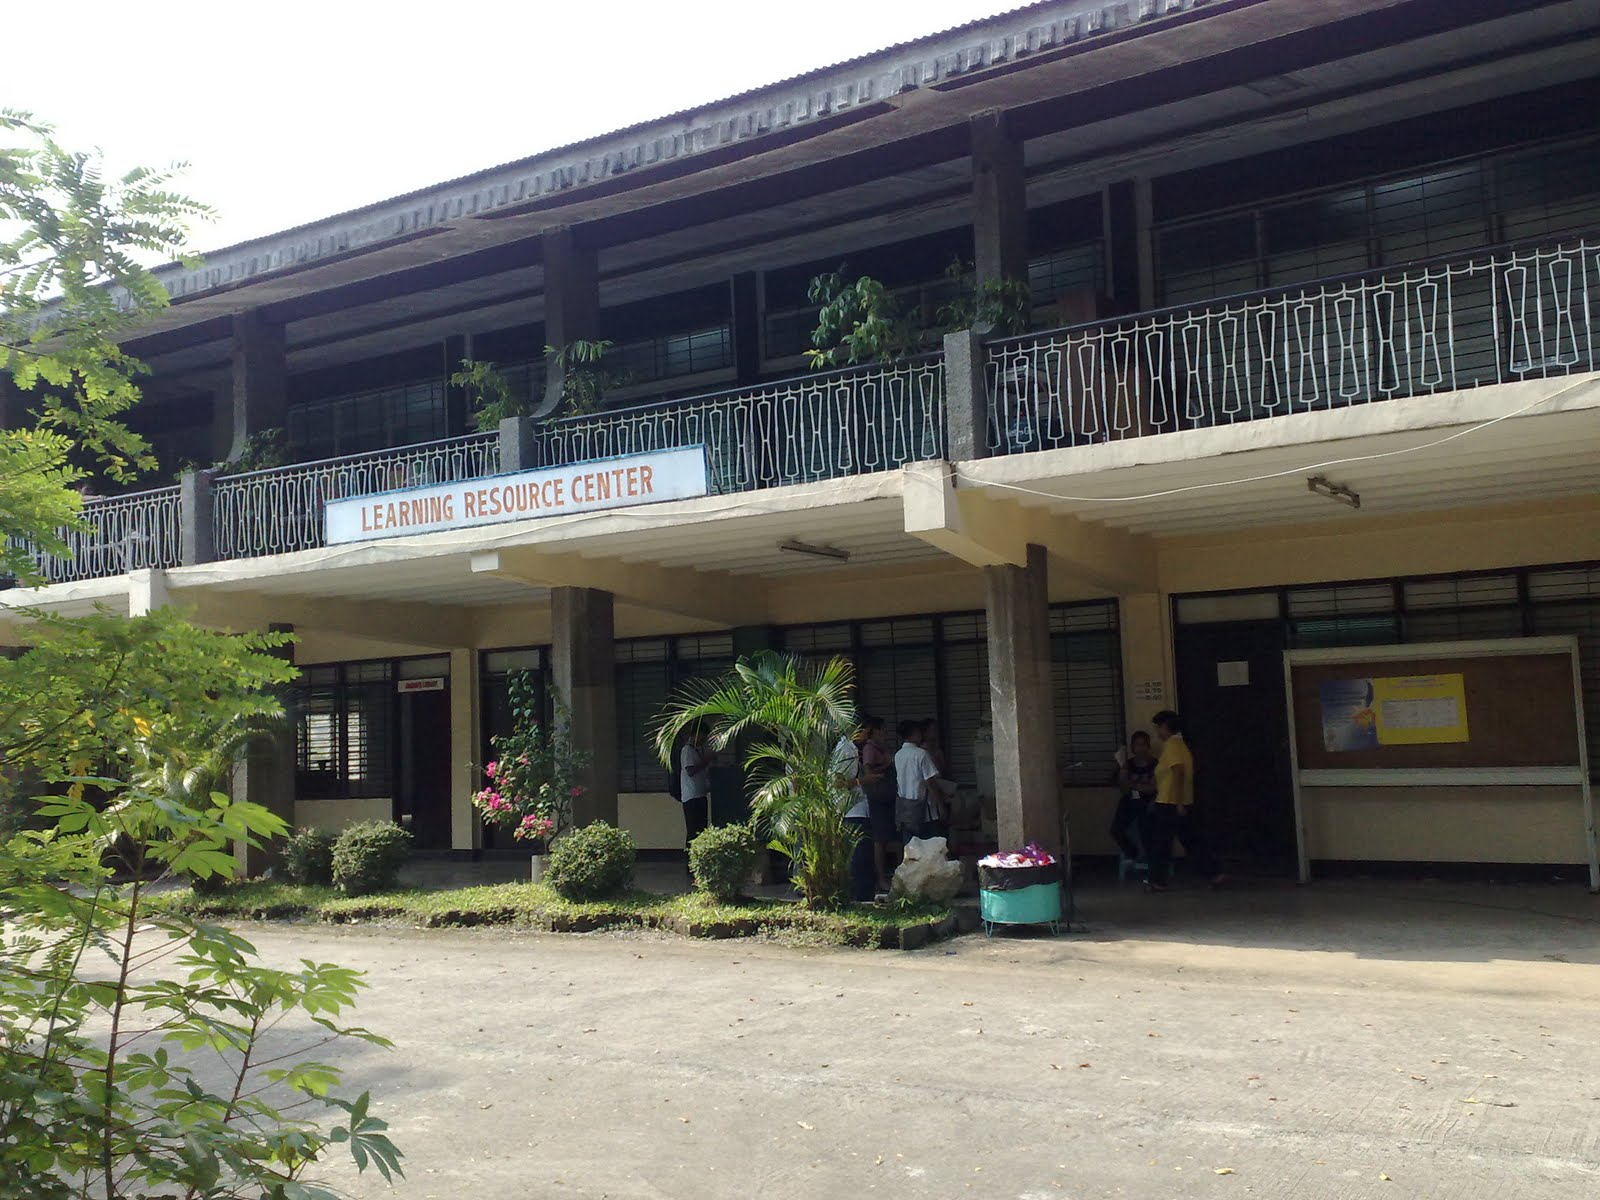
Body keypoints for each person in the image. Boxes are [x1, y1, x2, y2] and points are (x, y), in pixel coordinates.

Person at [1145, 710, 1222, 891]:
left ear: (1165, 727)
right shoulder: (1180, 744)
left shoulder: (1172, 745)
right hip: (1178, 800)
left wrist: (1178, 802)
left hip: (1170, 802)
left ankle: (1157, 880)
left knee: (1162, 843)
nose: (1157, 732)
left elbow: (1178, 771)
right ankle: (1214, 872)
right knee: (1191, 840)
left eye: (1158, 727)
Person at [833, 720, 879, 902]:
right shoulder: (847, 749)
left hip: (855, 808)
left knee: (861, 854)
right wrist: (863, 781)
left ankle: (862, 892)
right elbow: (838, 782)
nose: (867, 737)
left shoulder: (846, 747)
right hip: (853, 810)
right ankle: (861, 894)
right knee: (860, 855)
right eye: (866, 732)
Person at [1110, 731, 1158, 863]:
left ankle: (1151, 862)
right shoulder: (1128, 764)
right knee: (1116, 830)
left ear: (1148, 747)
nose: (1140, 748)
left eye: (1143, 744)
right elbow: (1124, 789)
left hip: (1149, 802)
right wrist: (1123, 771)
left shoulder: (1155, 764)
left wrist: (1132, 784)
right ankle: (1133, 854)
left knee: (1146, 830)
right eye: (1137, 745)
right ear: (1132, 747)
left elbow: (1152, 789)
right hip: (1130, 800)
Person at [893, 719, 940, 845]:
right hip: (924, 809)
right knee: (930, 848)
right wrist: (940, 803)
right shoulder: (921, 754)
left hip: (905, 809)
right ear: (914, 733)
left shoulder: (898, 755)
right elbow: (930, 781)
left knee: (911, 849)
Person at [920, 718, 959, 842]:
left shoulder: (936, 749)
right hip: (932, 793)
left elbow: (943, 770)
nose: (935, 733)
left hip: (942, 790)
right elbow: (930, 779)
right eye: (932, 730)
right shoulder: (922, 752)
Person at [678, 724, 713, 854]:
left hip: (700, 793)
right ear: (696, 735)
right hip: (691, 796)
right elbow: (690, 770)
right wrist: (706, 761)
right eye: (703, 736)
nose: (704, 740)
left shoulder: (698, 750)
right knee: (693, 830)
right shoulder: (687, 750)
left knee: (701, 829)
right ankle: (690, 860)